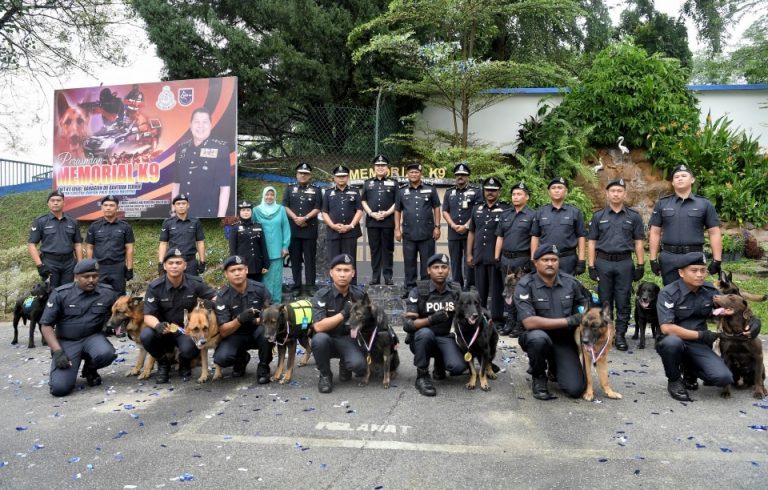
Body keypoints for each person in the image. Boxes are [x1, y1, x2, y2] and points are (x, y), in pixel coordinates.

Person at [655, 252, 735, 401]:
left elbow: (735, 304)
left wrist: (753, 323)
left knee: (723, 378)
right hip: (673, 341)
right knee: (672, 343)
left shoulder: (710, 291)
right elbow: (667, 328)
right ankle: (674, 380)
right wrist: (701, 335)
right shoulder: (668, 293)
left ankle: (689, 368)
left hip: (698, 344)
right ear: (681, 272)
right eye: (694, 270)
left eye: (703, 270)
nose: (700, 275)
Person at [514, 244, 588, 400]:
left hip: (564, 340)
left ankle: (555, 366)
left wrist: (583, 315)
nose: (550, 263)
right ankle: (539, 376)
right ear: (535, 263)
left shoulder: (571, 283)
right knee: (538, 339)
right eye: (545, 260)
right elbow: (529, 322)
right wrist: (568, 320)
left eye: (554, 260)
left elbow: (583, 309)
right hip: (537, 338)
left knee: (575, 389)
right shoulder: (525, 285)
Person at [40, 259, 118, 396]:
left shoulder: (107, 293)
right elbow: (46, 325)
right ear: (76, 277)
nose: (91, 280)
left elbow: (121, 311)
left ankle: (90, 368)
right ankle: (69, 368)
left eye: (95, 276)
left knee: (107, 354)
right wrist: (57, 351)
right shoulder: (61, 294)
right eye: (86, 277)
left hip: (93, 338)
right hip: (68, 342)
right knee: (60, 389)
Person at [140, 248, 216, 383]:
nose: (174, 266)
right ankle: (163, 364)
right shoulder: (155, 287)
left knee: (193, 345)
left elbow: (215, 297)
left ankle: (184, 362)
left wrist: (213, 304)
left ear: (185, 265)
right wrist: (157, 325)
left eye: (178, 263)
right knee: (146, 335)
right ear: (164, 266)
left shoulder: (195, 283)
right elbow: (148, 315)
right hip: (163, 329)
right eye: (171, 263)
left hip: (184, 331)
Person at [587, 179, 645, 351]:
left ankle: (620, 335)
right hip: (603, 262)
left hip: (624, 263)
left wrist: (641, 265)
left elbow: (639, 242)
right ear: (607, 193)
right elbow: (591, 243)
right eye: (613, 191)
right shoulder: (599, 216)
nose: (616, 194)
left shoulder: (633, 217)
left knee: (623, 300)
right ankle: (607, 334)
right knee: (605, 300)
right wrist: (591, 266)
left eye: (620, 191)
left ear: (624, 194)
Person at [403, 253, 467, 397]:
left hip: (445, 337)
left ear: (448, 270)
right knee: (425, 333)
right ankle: (422, 376)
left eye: (444, 267)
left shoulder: (456, 290)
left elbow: (465, 314)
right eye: (436, 267)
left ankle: (440, 364)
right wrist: (431, 320)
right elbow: (408, 325)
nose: (440, 271)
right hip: (422, 339)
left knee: (457, 367)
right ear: (428, 270)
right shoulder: (418, 291)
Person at [648, 165, 722, 286]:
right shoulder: (662, 203)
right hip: (669, 257)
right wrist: (653, 259)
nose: (680, 178)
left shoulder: (704, 204)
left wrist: (717, 259)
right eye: (676, 177)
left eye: (684, 176)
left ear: (692, 179)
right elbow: (655, 232)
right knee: (671, 293)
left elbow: (714, 232)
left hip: (694, 257)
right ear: (672, 182)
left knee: (694, 293)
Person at [310, 254, 367, 394]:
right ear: (331, 272)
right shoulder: (322, 295)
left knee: (359, 366)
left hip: (348, 339)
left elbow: (368, 320)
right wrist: (344, 313)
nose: (342, 274)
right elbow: (318, 326)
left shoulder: (359, 295)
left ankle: (345, 364)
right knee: (319, 339)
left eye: (346, 270)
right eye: (338, 270)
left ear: (353, 273)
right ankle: (325, 375)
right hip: (327, 339)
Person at [213, 255, 273, 383]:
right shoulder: (222, 297)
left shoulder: (260, 289)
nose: (237, 273)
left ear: (246, 270)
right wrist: (239, 320)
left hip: (257, 331)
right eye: (232, 271)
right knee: (221, 358)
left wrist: (257, 320)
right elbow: (223, 331)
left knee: (266, 333)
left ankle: (263, 367)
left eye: (240, 269)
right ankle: (241, 359)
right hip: (236, 334)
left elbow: (272, 314)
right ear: (226, 274)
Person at [172, 107, 232, 217]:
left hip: (207, 215)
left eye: (205, 122)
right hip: (183, 214)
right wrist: (173, 212)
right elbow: (176, 184)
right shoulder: (181, 149)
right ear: (190, 125)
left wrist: (220, 217)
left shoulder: (221, 150)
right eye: (196, 122)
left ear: (210, 125)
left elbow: (225, 188)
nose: (200, 126)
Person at [494, 182, 535, 337]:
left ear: (527, 197)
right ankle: (509, 321)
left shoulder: (532, 215)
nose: (515, 197)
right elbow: (500, 236)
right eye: (514, 194)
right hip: (506, 259)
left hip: (522, 260)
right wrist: (496, 256)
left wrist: (532, 260)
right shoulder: (505, 214)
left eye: (519, 194)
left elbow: (534, 239)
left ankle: (520, 323)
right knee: (508, 292)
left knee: (522, 293)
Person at [395, 163, 441, 297]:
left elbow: (436, 207)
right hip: (408, 233)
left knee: (427, 263)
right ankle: (409, 289)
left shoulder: (430, 189)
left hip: (427, 233)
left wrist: (437, 227)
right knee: (409, 263)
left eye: (416, 172)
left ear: (421, 174)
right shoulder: (402, 190)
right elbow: (397, 210)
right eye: (411, 172)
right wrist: (397, 229)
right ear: (407, 175)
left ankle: (426, 289)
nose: (414, 175)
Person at [467, 177, 509, 324]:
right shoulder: (476, 208)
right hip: (479, 255)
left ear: (499, 192)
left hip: (495, 256)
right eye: (488, 190)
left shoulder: (505, 209)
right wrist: (469, 253)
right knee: (480, 290)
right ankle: (480, 317)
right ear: (483, 191)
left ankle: (496, 319)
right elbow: (472, 232)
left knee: (497, 290)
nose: (490, 193)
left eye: (493, 190)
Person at [530, 177, 587, 276]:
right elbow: (535, 236)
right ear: (549, 192)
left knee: (567, 289)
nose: (556, 190)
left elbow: (581, 236)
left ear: (566, 191)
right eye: (553, 188)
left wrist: (581, 260)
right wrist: (533, 258)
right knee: (545, 289)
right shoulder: (540, 212)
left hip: (568, 260)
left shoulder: (575, 212)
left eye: (560, 187)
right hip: (545, 259)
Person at [28, 189, 83, 288]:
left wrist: (80, 264)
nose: (56, 203)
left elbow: (78, 244)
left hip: (69, 264)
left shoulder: (72, 221)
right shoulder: (41, 221)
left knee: (68, 291)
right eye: (52, 200)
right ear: (48, 203)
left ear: (63, 203)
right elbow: (31, 244)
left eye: (58, 200)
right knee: (51, 293)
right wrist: (40, 266)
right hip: (50, 263)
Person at [283, 162, 322, 296]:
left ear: (310, 175)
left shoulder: (316, 189)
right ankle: (297, 286)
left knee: (310, 259)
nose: (303, 175)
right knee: (295, 259)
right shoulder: (289, 188)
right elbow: (285, 205)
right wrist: (295, 218)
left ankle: (311, 285)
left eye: (306, 173)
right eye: (301, 173)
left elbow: (318, 207)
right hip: (293, 229)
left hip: (309, 229)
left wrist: (304, 218)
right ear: (297, 174)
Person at [442, 162, 482, 289]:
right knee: (455, 261)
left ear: (468, 176)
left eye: (463, 175)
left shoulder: (476, 191)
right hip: (453, 232)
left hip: (470, 232)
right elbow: (445, 211)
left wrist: (466, 226)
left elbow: (478, 211)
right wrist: (453, 226)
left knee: (469, 260)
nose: (460, 177)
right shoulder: (449, 192)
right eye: (458, 174)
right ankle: (456, 286)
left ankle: (470, 285)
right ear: (455, 176)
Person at [85, 195, 135, 296]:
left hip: (118, 267)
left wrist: (129, 268)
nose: (108, 208)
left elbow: (129, 248)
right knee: (98, 294)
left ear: (117, 208)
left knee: (119, 295)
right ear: (102, 207)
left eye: (112, 205)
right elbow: (90, 247)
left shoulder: (125, 226)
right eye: (106, 205)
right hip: (99, 267)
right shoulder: (94, 226)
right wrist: (90, 267)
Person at [322, 165, 364, 282]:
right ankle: (333, 287)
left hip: (350, 232)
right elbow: (324, 212)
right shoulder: (328, 193)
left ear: (348, 177)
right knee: (333, 260)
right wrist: (333, 226)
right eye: (339, 176)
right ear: (334, 178)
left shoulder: (355, 192)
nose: (341, 179)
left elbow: (359, 210)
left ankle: (352, 287)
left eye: (344, 176)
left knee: (350, 260)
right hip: (333, 232)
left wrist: (350, 226)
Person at [361, 155, 397, 285]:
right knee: (374, 249)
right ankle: (375, 276)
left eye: (383, 165)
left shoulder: (394, 183)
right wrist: (371, 213)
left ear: (387, 168)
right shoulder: (367, 183)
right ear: (374, 168)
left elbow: (397, 201)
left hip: (388, 221)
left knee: (388, 249)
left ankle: (388, 276)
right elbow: (363, 200)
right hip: (373, 221)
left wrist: (387, 213)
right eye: (378, 166)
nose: (380, 168)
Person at [254, 186, 291, 303]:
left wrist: (285, 246)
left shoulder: (281, 210)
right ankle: (264, 302)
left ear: (275, 197)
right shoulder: (256, 211)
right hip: (261, 251)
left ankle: (276, 303)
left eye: (272, 195)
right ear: (263, 196)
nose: (269, 197)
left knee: (276, 277)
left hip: (277, 250)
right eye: (267, 194)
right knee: (264, 278)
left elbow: (286, 228)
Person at [158, 194, 206, 277]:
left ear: (188, 205)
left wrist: (202, 261)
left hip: (190, 262)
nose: (181, 206)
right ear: (174, 206)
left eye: (184, 203)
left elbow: (200, 242)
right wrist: (161, 263)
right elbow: (163, 243)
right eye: (178, 204)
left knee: (192, 288)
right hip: (174, 262)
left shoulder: (195, 222)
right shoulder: (167, 222)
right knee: (174, 287)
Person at [229, 200, 269, 282]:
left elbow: (263, 246)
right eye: (243, 210)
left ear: (251, 211)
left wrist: (266, 264)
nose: (245, 212)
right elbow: (233, 249)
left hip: (257, 264)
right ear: (239, 212)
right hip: (243, 265)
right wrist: (235, 265)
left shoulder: (258, 226)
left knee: (257, 288)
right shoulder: (235, 228)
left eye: (248, 210)